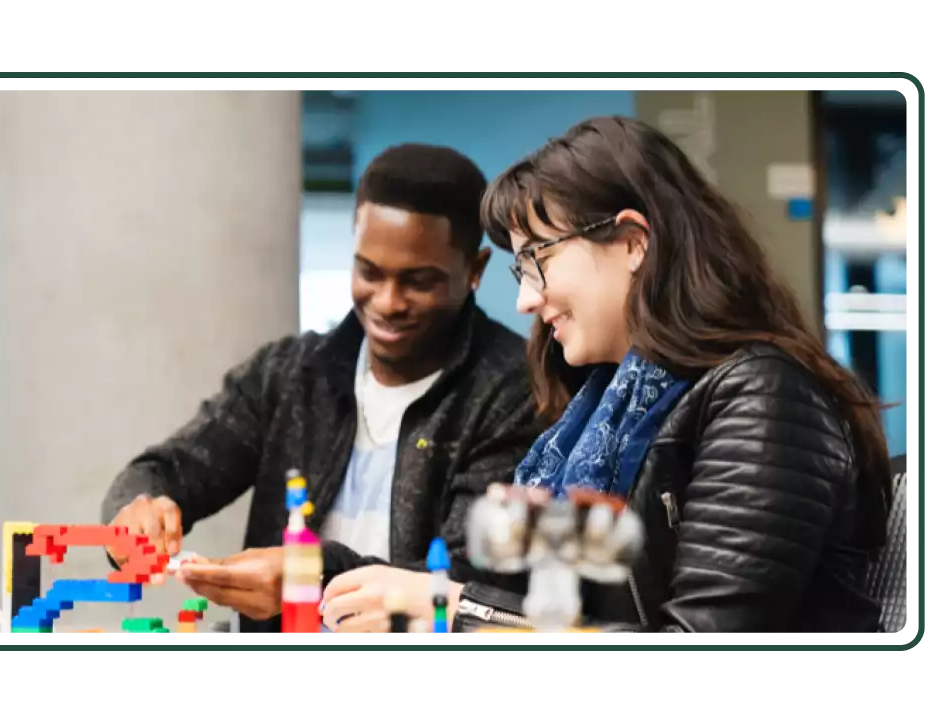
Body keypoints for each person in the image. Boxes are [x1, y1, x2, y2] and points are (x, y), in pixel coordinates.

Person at [319, 116, 893, 640]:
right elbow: (522, 600)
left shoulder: (764, 397)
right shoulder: (598, 417)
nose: (524, 299)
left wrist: (465, 610)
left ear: (632, 242)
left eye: (537, 260)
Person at [100, 143, 545, 640]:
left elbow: (473, 584)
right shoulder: (289, 374)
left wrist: (312, 573)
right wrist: (138, 506)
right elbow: (168, 469)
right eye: (368, 272)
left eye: (418, 281)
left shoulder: (518, 393)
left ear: (477, 270)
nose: (387, 302)